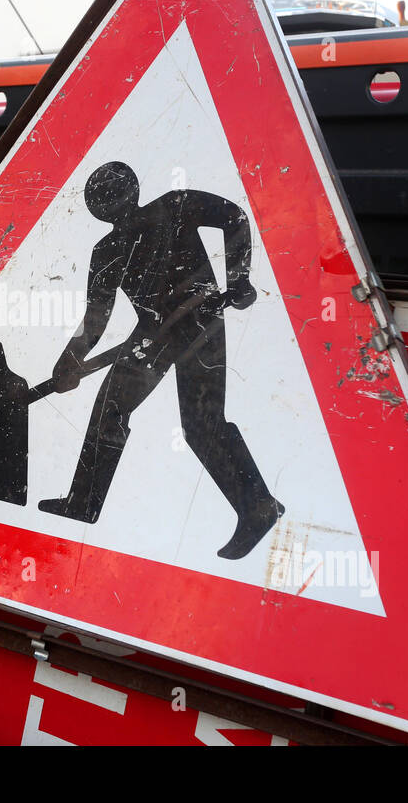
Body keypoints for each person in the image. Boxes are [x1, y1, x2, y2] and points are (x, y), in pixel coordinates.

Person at [38, 161, 284, 560]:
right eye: (102, 202)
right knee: (108, 410)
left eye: (113, 197)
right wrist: (69, 360)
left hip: (200, 325)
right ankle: (82, 504)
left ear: (130, 193)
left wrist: (238, 277)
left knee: (202, 425)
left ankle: (259, 506)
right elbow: (96, 317)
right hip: (151, 334)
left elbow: (233, 216)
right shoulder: (107, 250)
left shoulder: (175, 205)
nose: (110, 207)